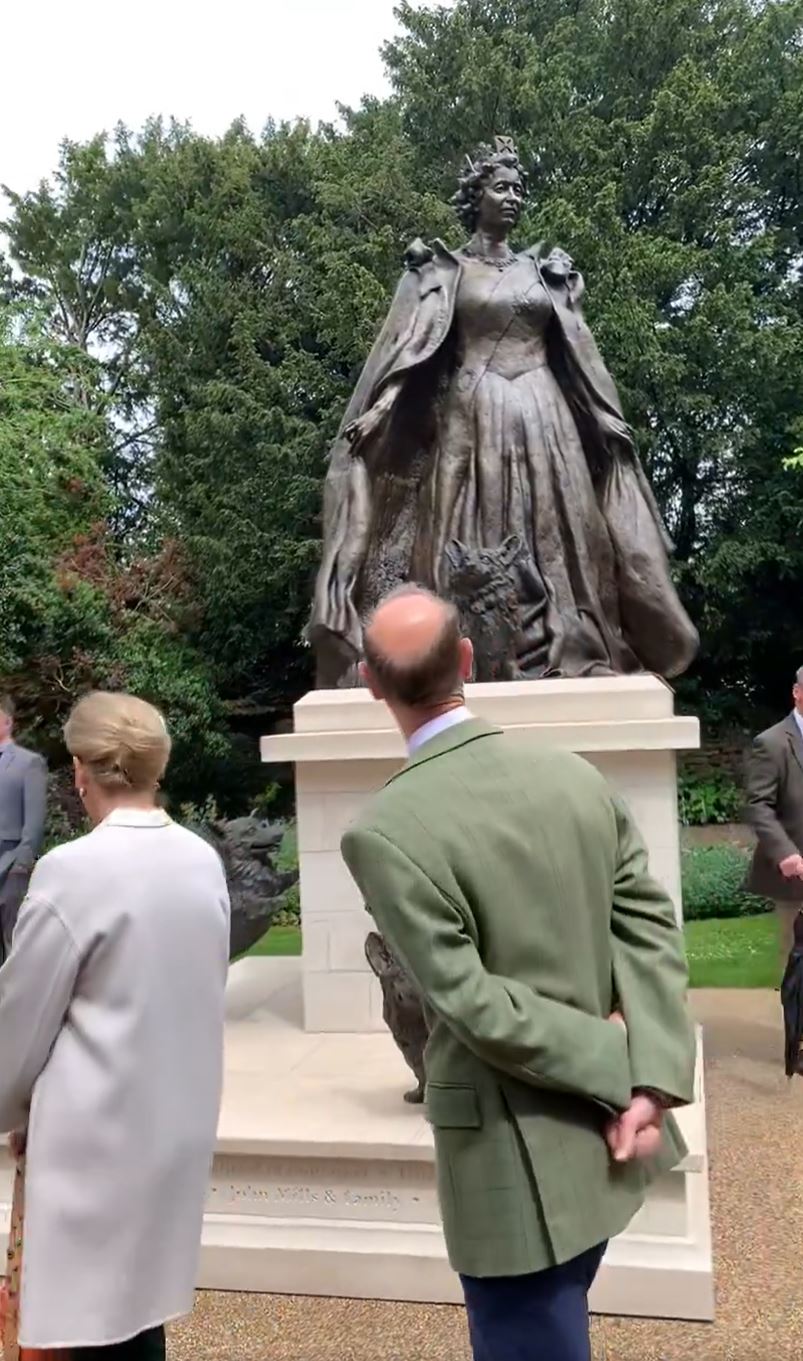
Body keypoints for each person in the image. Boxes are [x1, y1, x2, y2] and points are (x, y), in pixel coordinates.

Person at [340, 587, 696, 1361]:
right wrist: (649, 1076)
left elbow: (470, 1004)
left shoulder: (381, 832)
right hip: (613, 1130)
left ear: (370, 683)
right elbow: (647, 926)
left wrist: (622, 1066)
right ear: (467, 660)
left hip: (510, 1160)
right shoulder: (572, 775)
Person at [309, 137, 698, 687]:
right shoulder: (444, 270)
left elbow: (574, 352)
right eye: (501, 187)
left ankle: (568, 642)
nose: (513, 197)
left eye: (519, 189)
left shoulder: (544, 271)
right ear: (477, 198)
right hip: (472, 409)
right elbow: (412, 348)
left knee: (567, 530)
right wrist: (382, 408)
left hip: (546, 410)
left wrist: (599, 412)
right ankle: (462, 649)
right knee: (468, 524)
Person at [0, 691, 230, 1359]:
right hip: (171, 1130)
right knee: (135, 1321)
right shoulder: (199, 859)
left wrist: (12, 1105)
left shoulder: (72, 871)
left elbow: (19, 1024)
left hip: (90, 1142)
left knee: (79, 1330)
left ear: (79, 770)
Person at [746, 668, 803, 975]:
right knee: (796, 961)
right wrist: (786, 853)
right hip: (797, 873)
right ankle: (796, 1023)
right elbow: (758, 805)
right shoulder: (771, 742)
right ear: (797, 692)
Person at [0, 694, 47, 963]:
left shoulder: (28, 763)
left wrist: (22, 862)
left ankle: (16, 1002)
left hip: (11, 866)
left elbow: (35, 817)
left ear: (8, 721)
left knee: (14, 942)